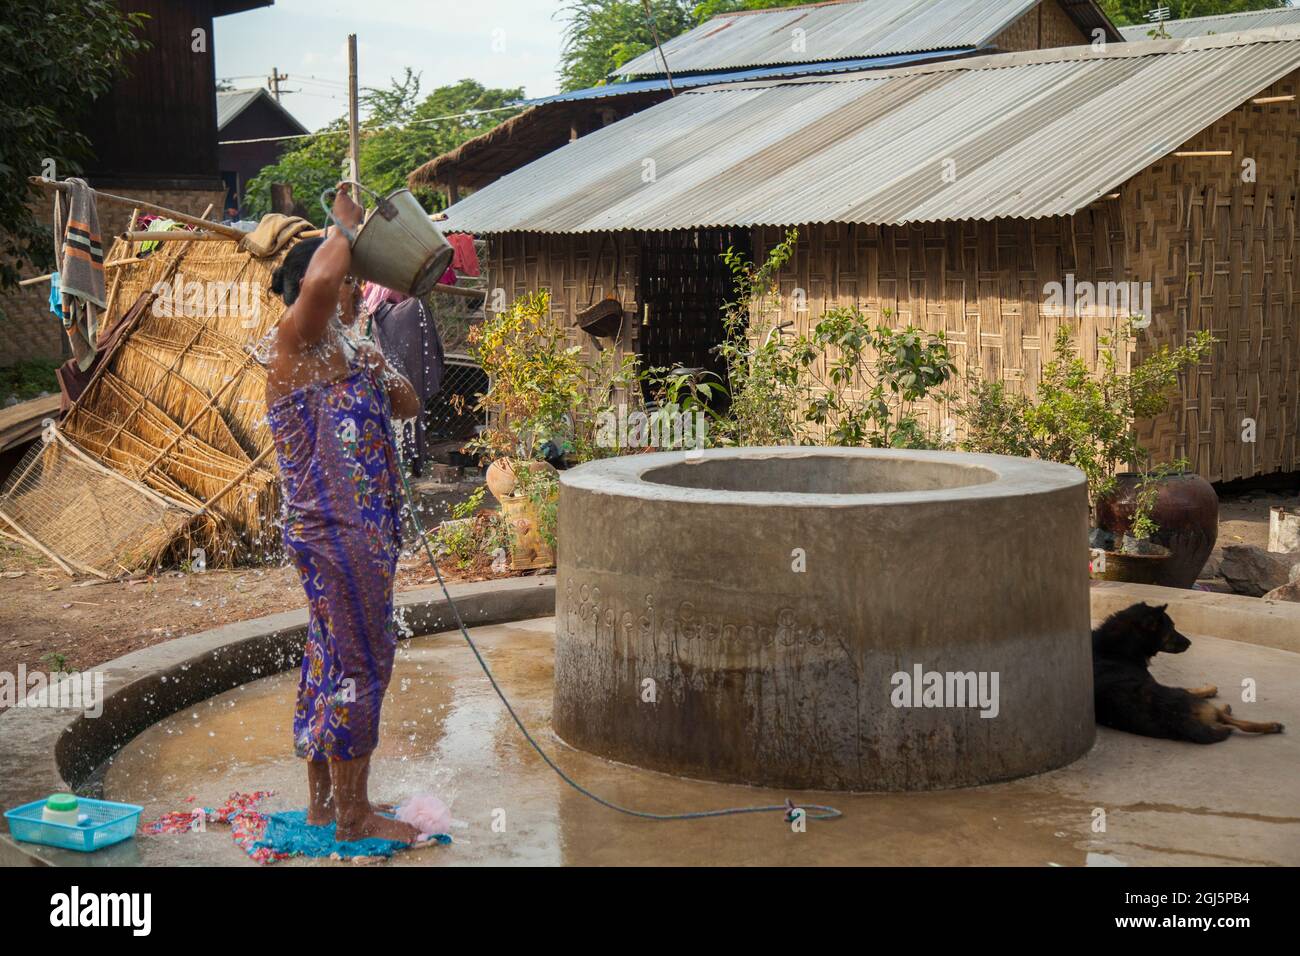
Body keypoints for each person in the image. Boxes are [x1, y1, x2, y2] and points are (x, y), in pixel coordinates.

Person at [259, 184, 424, 844]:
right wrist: (345, 225)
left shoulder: (348, 348)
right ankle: (356, 818)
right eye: (353, 277)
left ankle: (327, 805)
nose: (358, 286)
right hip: (336, 532)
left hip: (361, 533)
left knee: (331, 659)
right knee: (360, 664)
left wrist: (376, 366)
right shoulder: (295, 340)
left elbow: (408, 403)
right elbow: (325, 273)